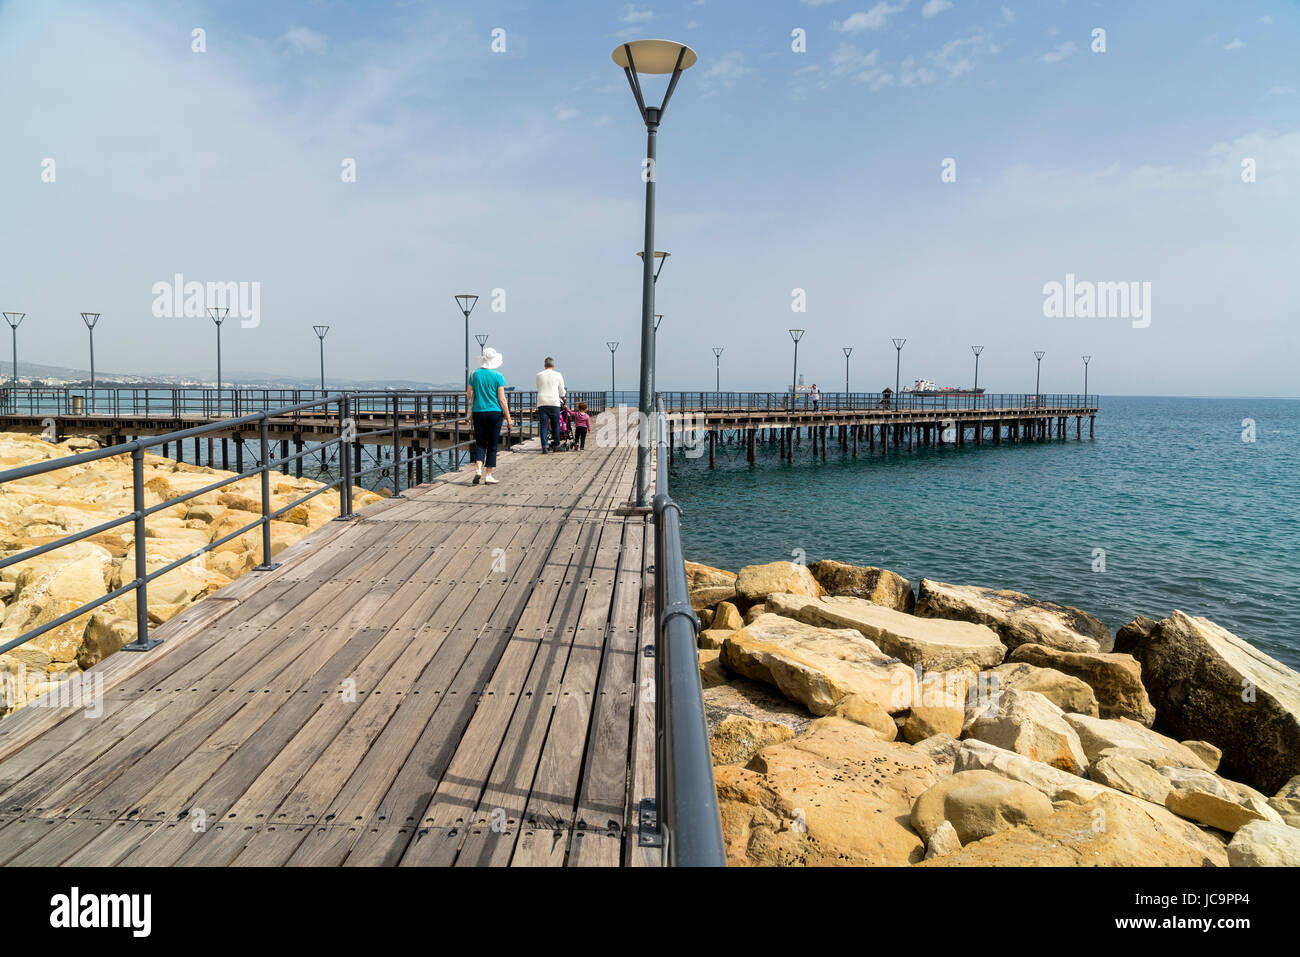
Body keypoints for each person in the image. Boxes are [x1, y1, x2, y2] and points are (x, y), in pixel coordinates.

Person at [467, 347, 514, 485]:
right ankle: (488, 475)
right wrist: (509, 418)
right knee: (492, 444)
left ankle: (478, 470)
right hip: (494, 413)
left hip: (478, 412)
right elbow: (502, 399)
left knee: (480, 443)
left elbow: (468, 395)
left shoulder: (473, 374)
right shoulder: (498, 376)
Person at [535, 356, 566, 453]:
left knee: (544, 425)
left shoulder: (538, 375)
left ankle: (544, 446)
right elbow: (561, 390)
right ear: (553, 365)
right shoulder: (558, 375)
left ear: (544, 365)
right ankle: (556, 445)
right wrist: (563, 396)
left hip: (542, 401)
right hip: (554, 402)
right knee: (555, 424)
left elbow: (539, 387)